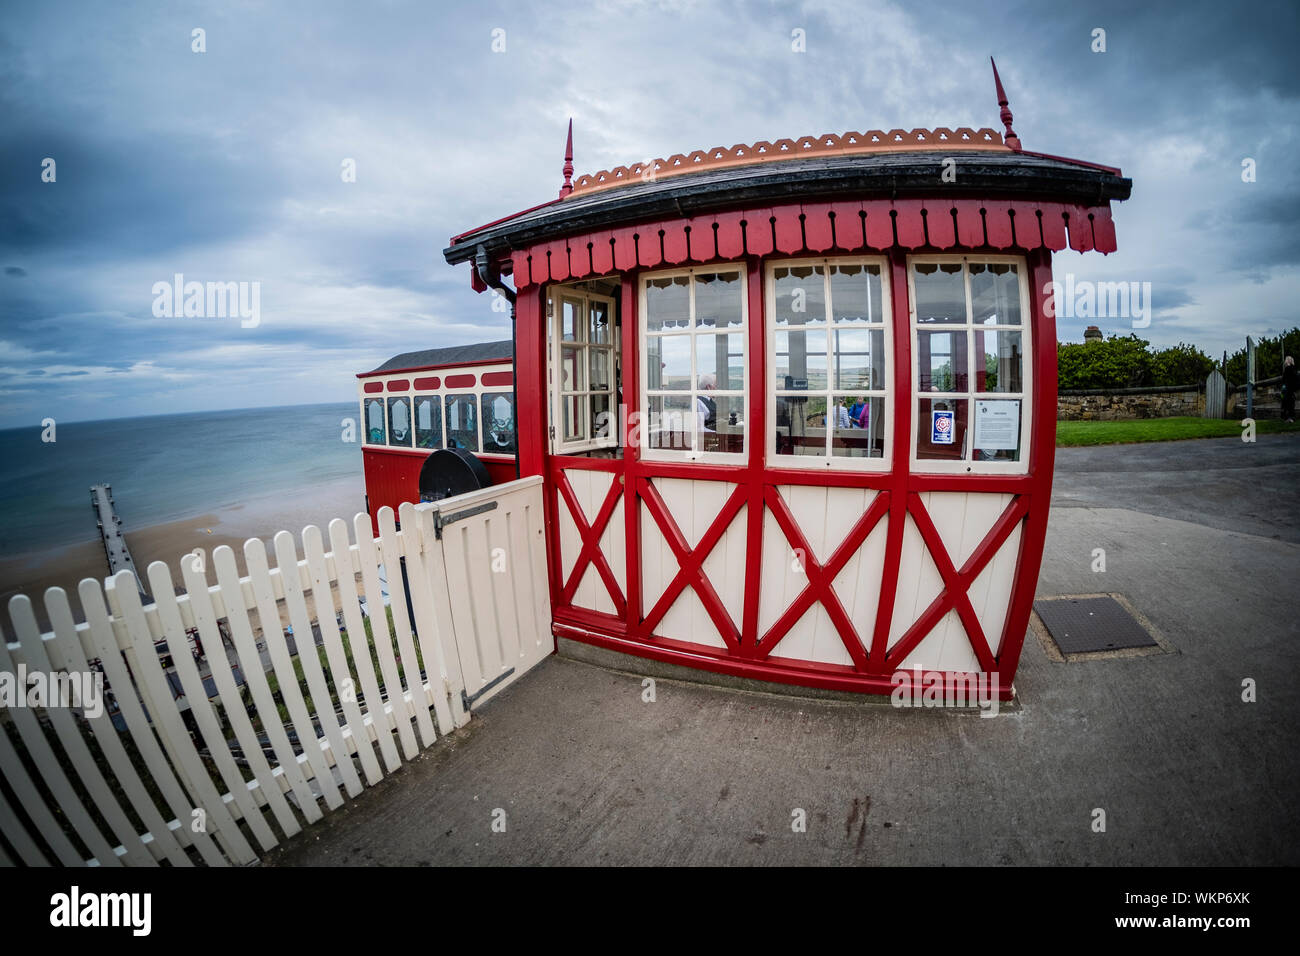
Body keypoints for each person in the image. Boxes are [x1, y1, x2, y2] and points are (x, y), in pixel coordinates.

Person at [1283, 355, 1297, 423]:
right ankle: (1291, 417)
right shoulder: (1293, 368)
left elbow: (1284, 378)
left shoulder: (1288, 368)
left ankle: (1290, 418)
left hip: (1288, 388)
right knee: (1291, 404)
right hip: (1293, 388)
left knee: (1288, 404)